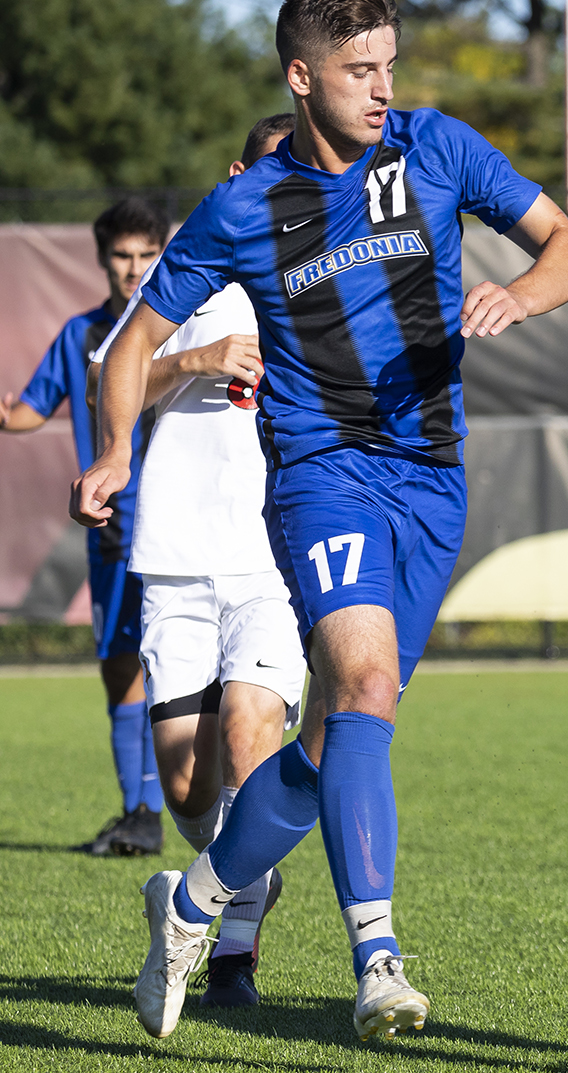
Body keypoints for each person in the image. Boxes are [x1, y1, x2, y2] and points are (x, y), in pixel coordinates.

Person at [76, 0, 568, 1042]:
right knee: (357, 680)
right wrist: (117, 450)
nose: (383, 86)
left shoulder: (439, 147)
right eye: (359, 69)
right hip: (323, 476)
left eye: (389, 65)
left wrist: (523, 297)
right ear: (302, 79)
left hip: (434, 482)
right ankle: (379, 957)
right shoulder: (244, 209)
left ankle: (189, 907)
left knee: (337, 740)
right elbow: (133, 345)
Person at [92, 113, 306, 1009]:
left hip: (272, 563)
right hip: (177, 559)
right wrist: (203, 356)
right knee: (187, 785)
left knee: (253, 735)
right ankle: (226, 873)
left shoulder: (322, 282)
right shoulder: (191, 269)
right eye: (272, 175)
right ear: (235, 175)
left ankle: (232, 953)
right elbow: (118, 366)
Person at [2, 199, 167, 856]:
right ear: (103, 260)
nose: (133, 269)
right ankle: (140, 812)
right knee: (120, 669)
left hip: (177, 527)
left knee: (180, 671)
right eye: (122, 256)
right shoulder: (81, 336)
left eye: (145, 255)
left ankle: (169, 808)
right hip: (110, 531)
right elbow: (28, 410)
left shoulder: (182, 329)